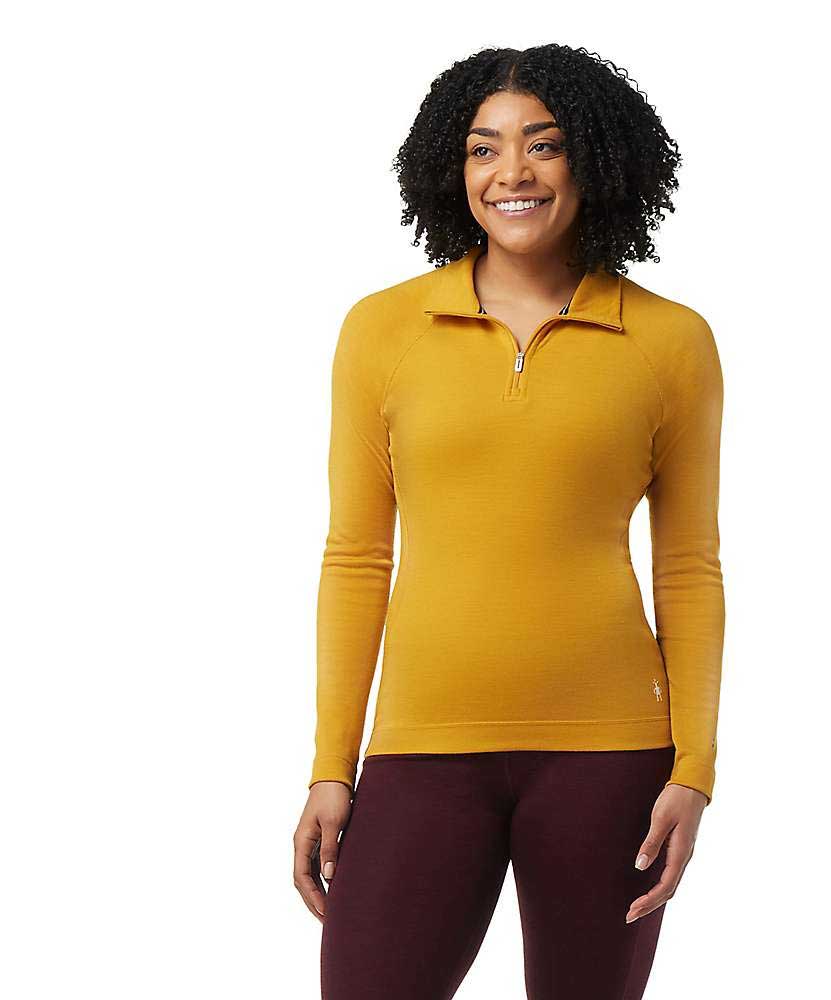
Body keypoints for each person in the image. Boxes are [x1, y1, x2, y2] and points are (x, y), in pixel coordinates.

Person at [293, 43, 726, 1000]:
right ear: (453, 170)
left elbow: (689, 565)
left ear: (595, 160)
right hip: (419, 750)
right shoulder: (383, 330)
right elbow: (356, 556)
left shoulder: (671, 341)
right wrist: (332, 765)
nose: (512, 173)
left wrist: (694, 768)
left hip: (611, 757)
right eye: (483, 149)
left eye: (544, 144)